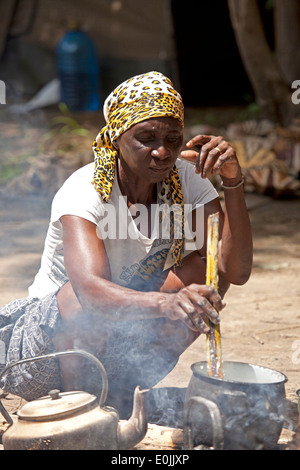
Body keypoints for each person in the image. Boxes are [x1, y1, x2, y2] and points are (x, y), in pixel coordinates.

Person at [0, 71, 252, 417]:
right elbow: (88, 294)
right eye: (145, 138)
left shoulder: (187, 180)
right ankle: (80, 413)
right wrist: (167, 305)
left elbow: (233, 271)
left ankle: (119, 396)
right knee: (78, 296)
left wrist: (233, 181)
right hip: (46, 357)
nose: (162, 151)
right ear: (116, 137)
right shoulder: (84, 190)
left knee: (204, 278)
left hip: (122, 341)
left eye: (172, 138)